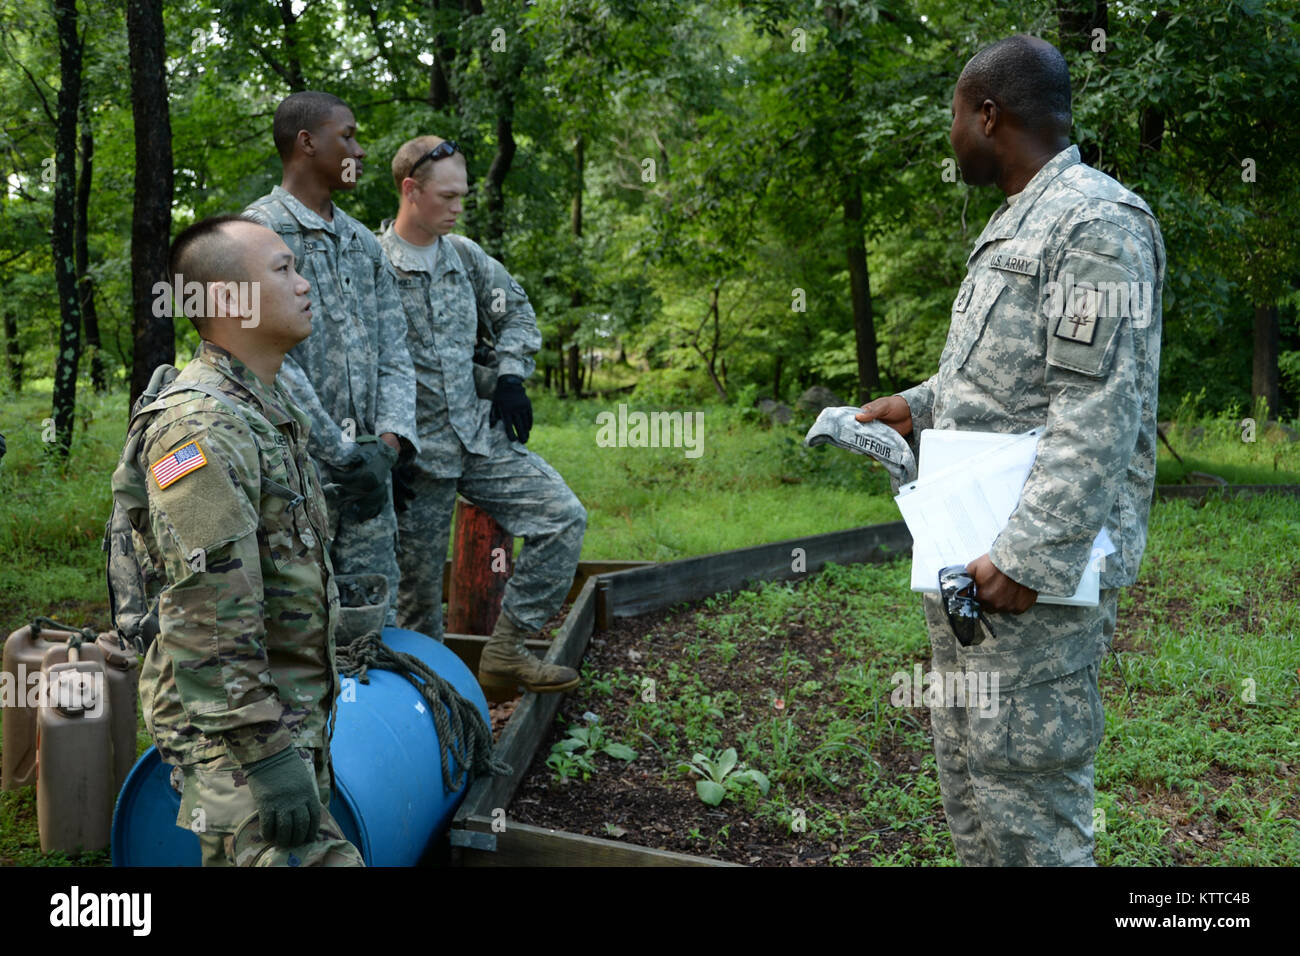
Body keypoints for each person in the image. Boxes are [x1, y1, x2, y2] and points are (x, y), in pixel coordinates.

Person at [858, 35, 1164, 866]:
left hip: (1026, 587)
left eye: (954, 115)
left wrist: (1030, 555)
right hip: (971, 573)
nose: (949, 133)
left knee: (1030, 815)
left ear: (988, 115)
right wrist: (917, 410)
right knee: (976, 800)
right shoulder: (1017, 221)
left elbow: (1098, 409)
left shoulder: (1095, 223)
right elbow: (1007, 379)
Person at [114, 215, 363, 866]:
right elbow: (205, 608)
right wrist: (268, 754)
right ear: (227, 299)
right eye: (283, 269)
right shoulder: (200, 428)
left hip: (282, 719)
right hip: (236, 746)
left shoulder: (261, 410)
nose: (305, 285)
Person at [376, 135, 587, 696]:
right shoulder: (371, 266)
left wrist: (512, 375)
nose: (457, 206)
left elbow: (517, 312)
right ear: (410, 190)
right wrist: (377, 445)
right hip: (413, 460)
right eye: (446, 196)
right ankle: (429, 714)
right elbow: (351, 363)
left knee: (562, 516)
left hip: (477, 437)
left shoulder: (465, 258)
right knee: (416, 600)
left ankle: (507, 650)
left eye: (463, 195)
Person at [243, 91, 419, 627]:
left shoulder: (362, 242)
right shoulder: (256, 235)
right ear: (306, 142)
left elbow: (395, 349)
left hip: (369, 477)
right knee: (300, 632)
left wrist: (387, 442)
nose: (360, 151)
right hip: (295, 478)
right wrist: (340, 451)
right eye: (348, 136)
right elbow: (267, 356)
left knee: (373, 625)